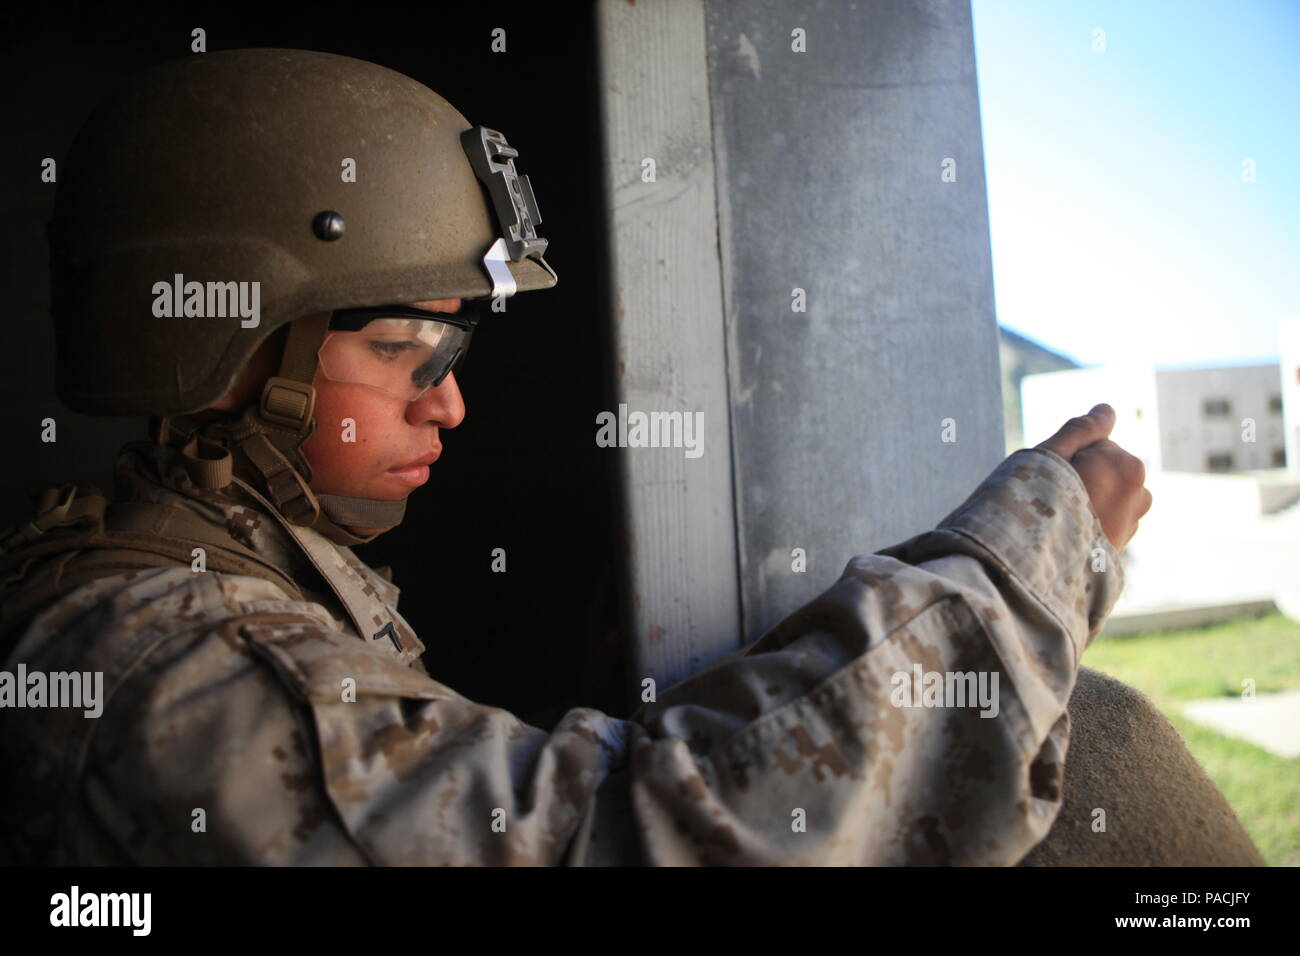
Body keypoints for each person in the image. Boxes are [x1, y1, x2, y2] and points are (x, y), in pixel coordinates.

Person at [0, 48, 1256, 866]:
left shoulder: (231, 563)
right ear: (225, 355)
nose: (449, 410)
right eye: (407, 354)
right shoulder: (153, 658)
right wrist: (1034, 549)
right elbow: (627, 842)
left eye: (455, 362)